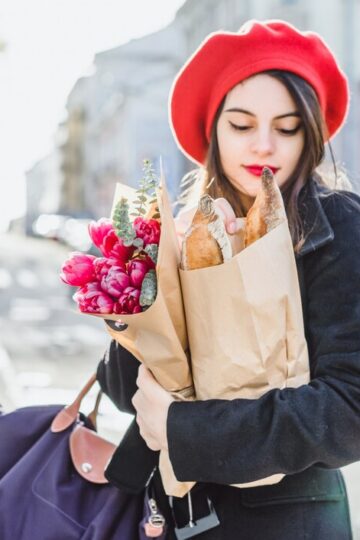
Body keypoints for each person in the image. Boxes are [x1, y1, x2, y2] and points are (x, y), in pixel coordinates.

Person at [97, 19, 359, 539]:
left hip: (288, 522)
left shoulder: (339, 226)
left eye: (286, 128)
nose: (263, 146)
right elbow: (126, 390)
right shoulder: (178, 227)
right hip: (174, 516)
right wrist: (132, 294)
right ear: (213, 129)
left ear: (310, 134)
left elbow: (348, 406)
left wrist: (186, 430)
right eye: (241, 125)